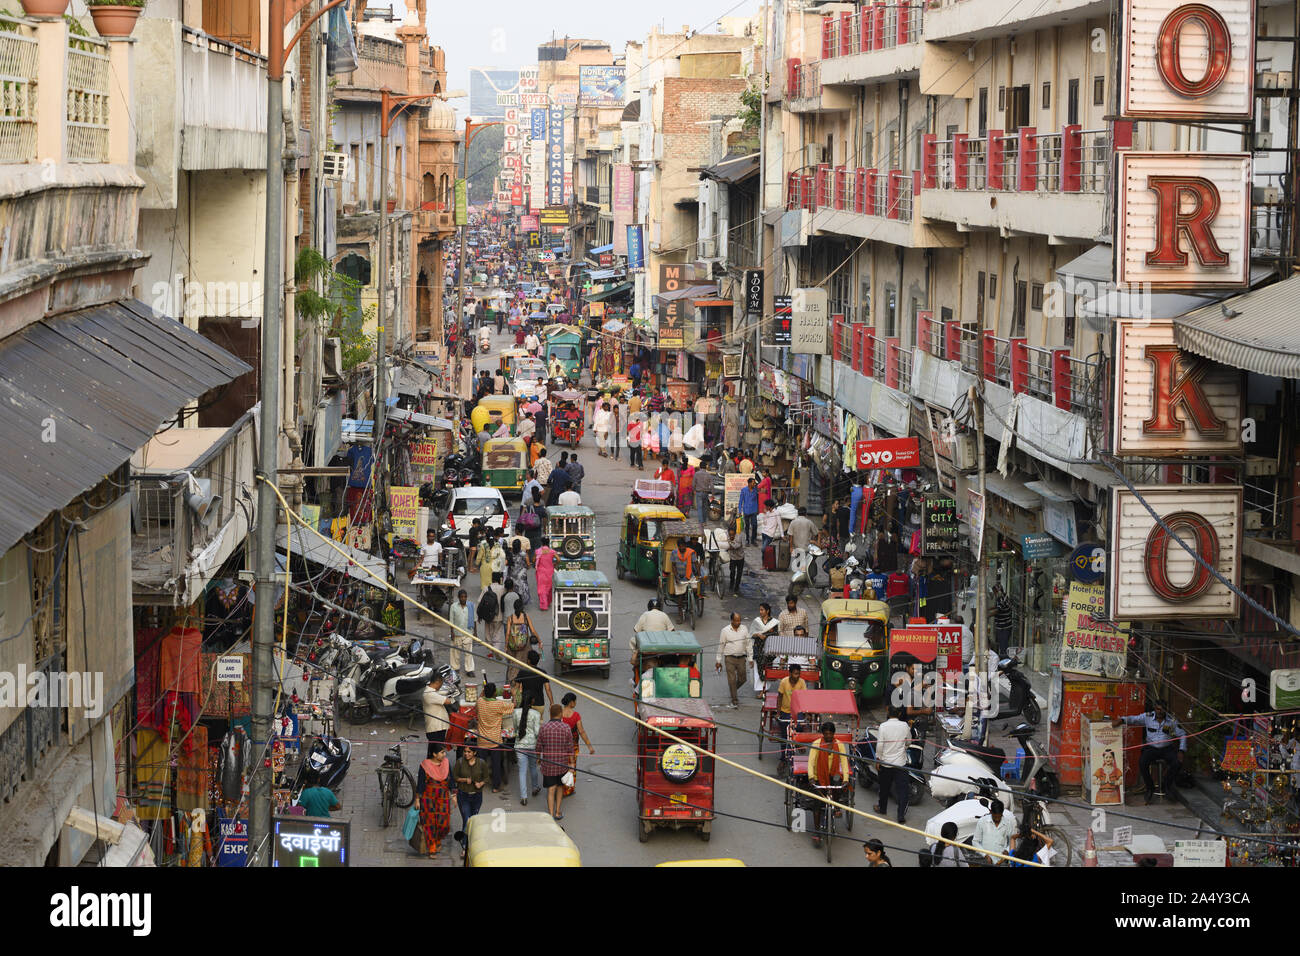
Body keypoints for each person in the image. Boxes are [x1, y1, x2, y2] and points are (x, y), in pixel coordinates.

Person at [1112, 703, 1188, 804]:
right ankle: (1150, 787)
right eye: (1158, 709)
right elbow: (1133, 719)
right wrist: (1121, 720)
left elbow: (1182, 734)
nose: (1160, 711)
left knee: (1177, 763)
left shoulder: (1172, 721)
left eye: (1162, 709)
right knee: (1142, 762)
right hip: (1151, 748)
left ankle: (1167, 786)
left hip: (1167, 748)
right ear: (1154, 709)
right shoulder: (1147, 717)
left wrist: (1181, 750)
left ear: (1165, 710)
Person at [806, 720, 851, 847]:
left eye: (830, 734)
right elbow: (811, 762)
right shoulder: (817, 744)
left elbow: (844, 762)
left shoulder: (839, 745)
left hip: (833, 774)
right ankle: (816, 832)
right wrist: (811, 778)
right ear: (823, 734)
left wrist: (846, 779)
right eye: (826, 733)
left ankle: (836, 807)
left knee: (838, 782)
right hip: (819, 776)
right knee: (817, 803)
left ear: (834, 734)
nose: (828, 736)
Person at [873, 705, 912, 824]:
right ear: (900, 714)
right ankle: (900, 815)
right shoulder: (905, 726)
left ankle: (882, 808)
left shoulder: (883, 726)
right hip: (900, 763)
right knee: (903, 791)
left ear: (888, 712)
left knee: (884, 788)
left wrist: (878, 759)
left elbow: (879, 745)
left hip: (886, 763)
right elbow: (909, 741)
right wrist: (904, 746)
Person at [474, 684, 515, 794]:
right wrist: (514, 695)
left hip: (482, 740)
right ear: (494, 693)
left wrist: (481, 694)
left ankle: (478, 782)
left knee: (480, 763)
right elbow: (513, 706)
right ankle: (495, 786)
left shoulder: (480, 702)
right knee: (496, 764)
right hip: (494, 741)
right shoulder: (498, 704)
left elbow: (476, 707)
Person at [412, 747, 451, 857]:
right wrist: (417, 799)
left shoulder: (446, 764)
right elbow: (420, 784)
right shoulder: (425, 766)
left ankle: (438, 839)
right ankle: (432, 847)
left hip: (443, 798)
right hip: (428, 799)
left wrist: (453, 795)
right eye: (442, 752)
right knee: (429, 824)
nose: (444, 755)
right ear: (434, 754)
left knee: (444, 824)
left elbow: (451, 779)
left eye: (444, 752)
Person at [538, 704, 573, 821]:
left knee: (550, 790)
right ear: (560, 714)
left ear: (551, 714)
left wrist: (538, 758)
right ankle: (558, 812)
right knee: (559, 788)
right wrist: (572, 764)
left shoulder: (543, 728)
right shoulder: (566, 728)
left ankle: (550, 814)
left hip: (548, 765)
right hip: (562, 765)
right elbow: (570, 748)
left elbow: (539, 746)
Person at [559, 693, 595, 797]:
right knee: (572, 766)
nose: (576, 703)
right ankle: (568, 789)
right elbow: (581, 731)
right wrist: (590, 746)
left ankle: (560, 786)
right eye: (575, 701)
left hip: (560, 745)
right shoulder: (576, 715)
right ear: (571, 702)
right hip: (573, 746)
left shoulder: (559, 713)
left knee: (561, 765)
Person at [715, 612, 752, 709]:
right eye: (736, 620)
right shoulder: (725, 631)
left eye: (739, 620)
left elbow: (748, 644)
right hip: (729, 658)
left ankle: (733, 689)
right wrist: (718, 661)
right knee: (731, 679)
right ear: (732, 620)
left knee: (742, 679)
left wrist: (750, 658)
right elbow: (721, 645)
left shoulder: (744, 629)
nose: (738, 622)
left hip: (741, 658)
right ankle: (734, 699)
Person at [453, 742, 491, 829]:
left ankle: (469, 841)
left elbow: (486, 777)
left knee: (473, 820)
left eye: (469, 752)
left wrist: (481, 783)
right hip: (463, 796)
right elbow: (454, 777)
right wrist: (464, 780)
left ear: (475, 753)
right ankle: (464, 842)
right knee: (467, 820)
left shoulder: (481, 763)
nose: (466, 754)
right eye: (465, 751)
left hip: (477, 796)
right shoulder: (460, 762)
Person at [513, 698, 542, 806]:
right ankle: (535, 787)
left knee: (522, 771)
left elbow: (515, 728)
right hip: (532, 745)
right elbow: (537, 731)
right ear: (532, 702)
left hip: (519, 745)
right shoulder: (536, 714)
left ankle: (524, 797)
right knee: (533, 767)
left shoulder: (516, 712)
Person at [973, 798, 1017, 864]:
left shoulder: (1008, 824)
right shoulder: (982, 821)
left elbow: (1013, 840)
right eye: (995, 817)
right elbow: (975, 842)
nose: (997, 819)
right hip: (985, 861)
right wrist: (985, 855)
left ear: (1002, 813)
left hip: (1001, 861)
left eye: (999, 817)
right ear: (991, 812)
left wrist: (1007, 850)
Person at [775, 664, 807, 754]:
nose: (797, 676)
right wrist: (778, 713)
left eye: (798, 674)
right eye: (795, 674)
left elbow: (804, 698)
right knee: (784, 736)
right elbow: (780, 697)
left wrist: (806, 713)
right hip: (785, 711)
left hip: (797, 711)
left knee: (800, 726)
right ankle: (782, 759)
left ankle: (797, 742)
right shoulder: (784, 682)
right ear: (790, 673)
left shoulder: (802, 682)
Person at [749, 602, 779, 698]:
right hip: (759, 648)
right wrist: (758, 634)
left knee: (767, 668)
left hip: (770, 649)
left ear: (767, 611)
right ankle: (762, 689)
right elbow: (751, 634)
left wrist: (766, 635)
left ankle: (765, 689)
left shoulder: (774, 622)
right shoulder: (756, 621)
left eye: (762, 610)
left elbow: (776, 635)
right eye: (760, 610)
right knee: (759, 668)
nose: (760, 612)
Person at [422, 671, 452, 758]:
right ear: (437, 682)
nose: (440, 686)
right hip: (435, 728)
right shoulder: (429, 694)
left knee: (438, 751)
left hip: (438, 727)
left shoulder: (432, 691)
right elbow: (448, 701)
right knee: (434, 752)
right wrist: (454, 698)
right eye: (441, 684)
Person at [448, 589, 476, 679]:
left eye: (465, 597)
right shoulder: (453, 606)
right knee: (455, 652)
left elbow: (474, 619)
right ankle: (455, 668)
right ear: (458, 598)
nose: (463, 598)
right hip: (457, 633)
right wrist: (451, 632)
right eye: (462, 597)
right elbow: (451, 621)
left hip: (468, 633)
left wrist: (475, 632)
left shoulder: (471, 606)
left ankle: (469, 670)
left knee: (468, 653)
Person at [992, 586, 1014, 658]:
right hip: (1002, 626)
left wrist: (986, 616)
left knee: (1003, 646)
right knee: (1002, 645)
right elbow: (997, 607)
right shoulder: (1001, 598)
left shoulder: (1002, 598)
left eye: (995, 592)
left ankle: (1004, 662)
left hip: (1004, 627)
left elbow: (998, 610)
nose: (994, 594)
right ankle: (1003, 659)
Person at [726, 517, 746, 595]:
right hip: (733, 558)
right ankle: (731, 584)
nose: (731, 536)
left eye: (732, 534)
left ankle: (737, 587)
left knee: (739, 573)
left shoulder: (739, 536)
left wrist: (729, 543)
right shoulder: (727, 535)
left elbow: (735, 546)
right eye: (730, 534)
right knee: (732, 571)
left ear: (735, 532)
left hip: (740, 557)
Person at [739, 477, 760, 545]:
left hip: (754, 510)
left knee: (754, 525)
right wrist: (740, 511)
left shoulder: (755, 490)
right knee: (747, 526)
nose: (754, 484)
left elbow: (757, 500)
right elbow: (740, 501)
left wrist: (757, 509)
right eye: (753, 483)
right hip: (746, 511)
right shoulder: (743, 490)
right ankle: (747, 539)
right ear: (749, 483)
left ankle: (753, 540)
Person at [693, 460, 714, 526]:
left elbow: (693, 484)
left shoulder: (696, 474)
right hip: (706, 493)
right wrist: (713, 494)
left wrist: (693, 490)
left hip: (699, 492)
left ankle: (701, 522)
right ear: (706, 467)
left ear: (700, 467)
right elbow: (712, 485)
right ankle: (704, 522)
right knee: (705, 508)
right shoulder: (708, 474)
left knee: (699, 507)